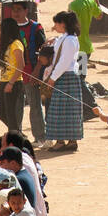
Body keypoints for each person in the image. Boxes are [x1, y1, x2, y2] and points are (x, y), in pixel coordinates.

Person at [44, 10, 82, 151]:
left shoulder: (70, 40)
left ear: (63, 24)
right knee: (64, 110)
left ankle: (64, 141)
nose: (55, 26)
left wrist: (53, 78)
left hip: (66, 76)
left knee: (62, 110)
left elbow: (64, 61)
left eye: (57, 23)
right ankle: (67, 140)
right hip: (64, 76)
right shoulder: (65, 38)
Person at [10, 5, 47, 147]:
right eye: (14, 10)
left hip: (31, 72)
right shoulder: (9, 28)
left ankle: (40, 136)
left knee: (35, 105)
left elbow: (43, 50)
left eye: (19, 9)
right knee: (15, 107)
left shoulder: (36, 28)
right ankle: (17, 135)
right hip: (14, 75)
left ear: (26, 11)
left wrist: (37, 71)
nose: (16, 12)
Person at [0, 18, 26, 133]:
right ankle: (16, 132)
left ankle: (16, 134)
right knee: (0, 112)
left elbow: (21, 65)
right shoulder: (5, 44)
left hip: (14, 82)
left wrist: (11, 83)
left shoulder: (16, 44)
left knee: (11, 113)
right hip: (3, 80)